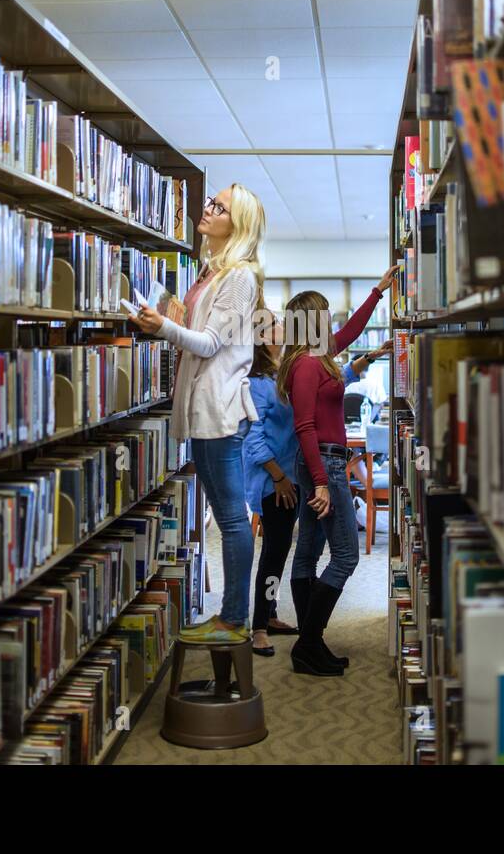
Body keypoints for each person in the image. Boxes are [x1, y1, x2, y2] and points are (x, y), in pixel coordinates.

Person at [130, 184, 266, 644]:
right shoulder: (212, 272)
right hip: (205, 409)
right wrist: (166, 315)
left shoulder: (240, 277)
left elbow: (209, 343)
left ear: (238, 224)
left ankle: (234, 618)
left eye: (218, 207)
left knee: (231, 517)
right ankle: (232, 615)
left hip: (219, 412)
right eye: (210, 203)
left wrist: (163, 326)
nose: (207, 210)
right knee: (227, 513)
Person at [277, 264, 402, 675]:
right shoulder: (308, 366)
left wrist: (378, 291)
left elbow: (350, 334)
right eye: (325, 313)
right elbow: (305, 426)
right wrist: (321, 482)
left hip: (323, 462)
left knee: (310, 552)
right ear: (311, 321)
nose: (331, 319)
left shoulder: (317, 357)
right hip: (323, 465)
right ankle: (309, 642)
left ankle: (309, 645)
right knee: (346, 555)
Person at [244, 324, 302, 657]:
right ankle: (260, 627)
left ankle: (272, 613)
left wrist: (362, 362)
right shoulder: (257, 385)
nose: (282, 327)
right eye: (275, 326)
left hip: (288, 477)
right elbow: (253, 440)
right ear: (263, 341)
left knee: (279, 549)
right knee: (275, 552)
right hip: (273, 481)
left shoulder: (283, 375)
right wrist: (278, 477)